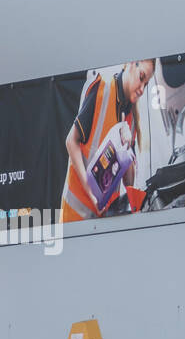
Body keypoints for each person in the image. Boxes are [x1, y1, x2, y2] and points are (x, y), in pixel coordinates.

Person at [60, 59, 154, 222]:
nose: (141, 89)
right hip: (75, 216)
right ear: (130, 64)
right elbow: (71, 141)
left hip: (103, 218)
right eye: (141, 78)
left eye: (146, 84)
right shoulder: (102, 89)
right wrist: (91, 192)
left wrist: (127, 153)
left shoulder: (131, 117)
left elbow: (127, 179)